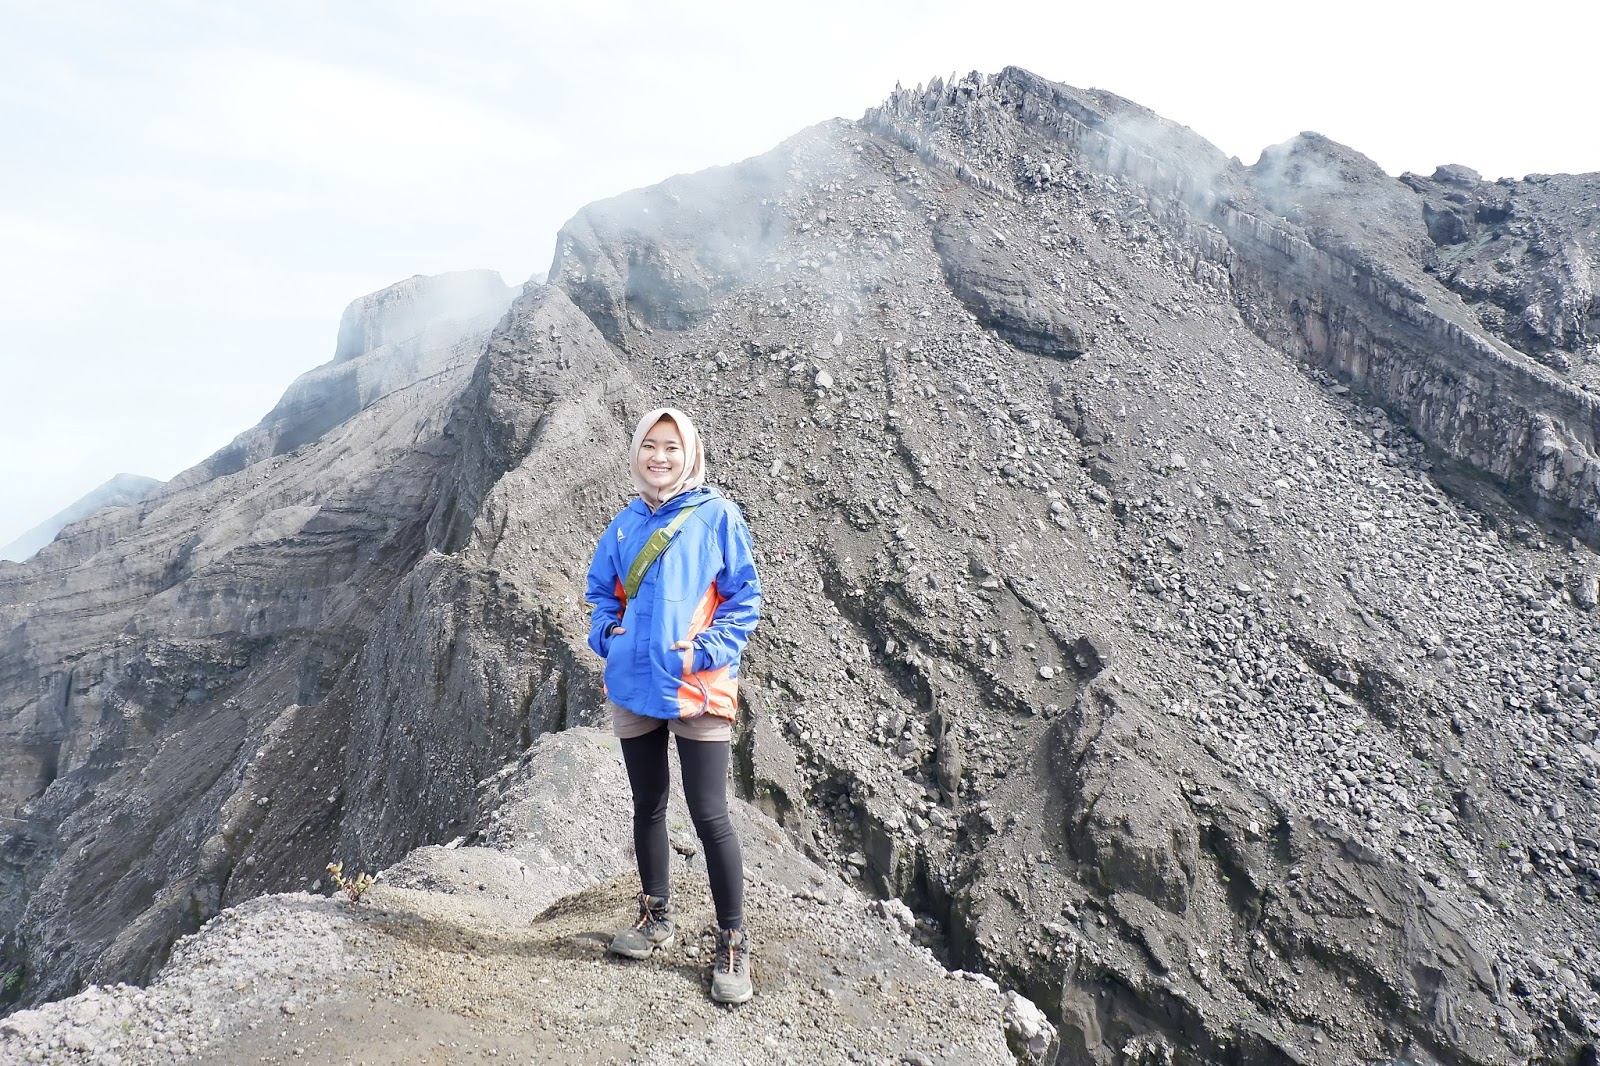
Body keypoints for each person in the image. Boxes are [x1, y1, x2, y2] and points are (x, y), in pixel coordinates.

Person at [583, 406, 762, 1005]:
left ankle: (732, 939)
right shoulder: (624, 524)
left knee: (709, 813)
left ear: (690, 455)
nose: (659, 457)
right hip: (634, 683)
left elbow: (744, 598)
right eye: (650, 446)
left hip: (697, 685)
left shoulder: (716, 516)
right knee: (648, 804)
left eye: (671, 447)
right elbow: (602, 594)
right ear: (636, 453)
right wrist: (607, 635)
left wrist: (704, 650)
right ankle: (655, 914)